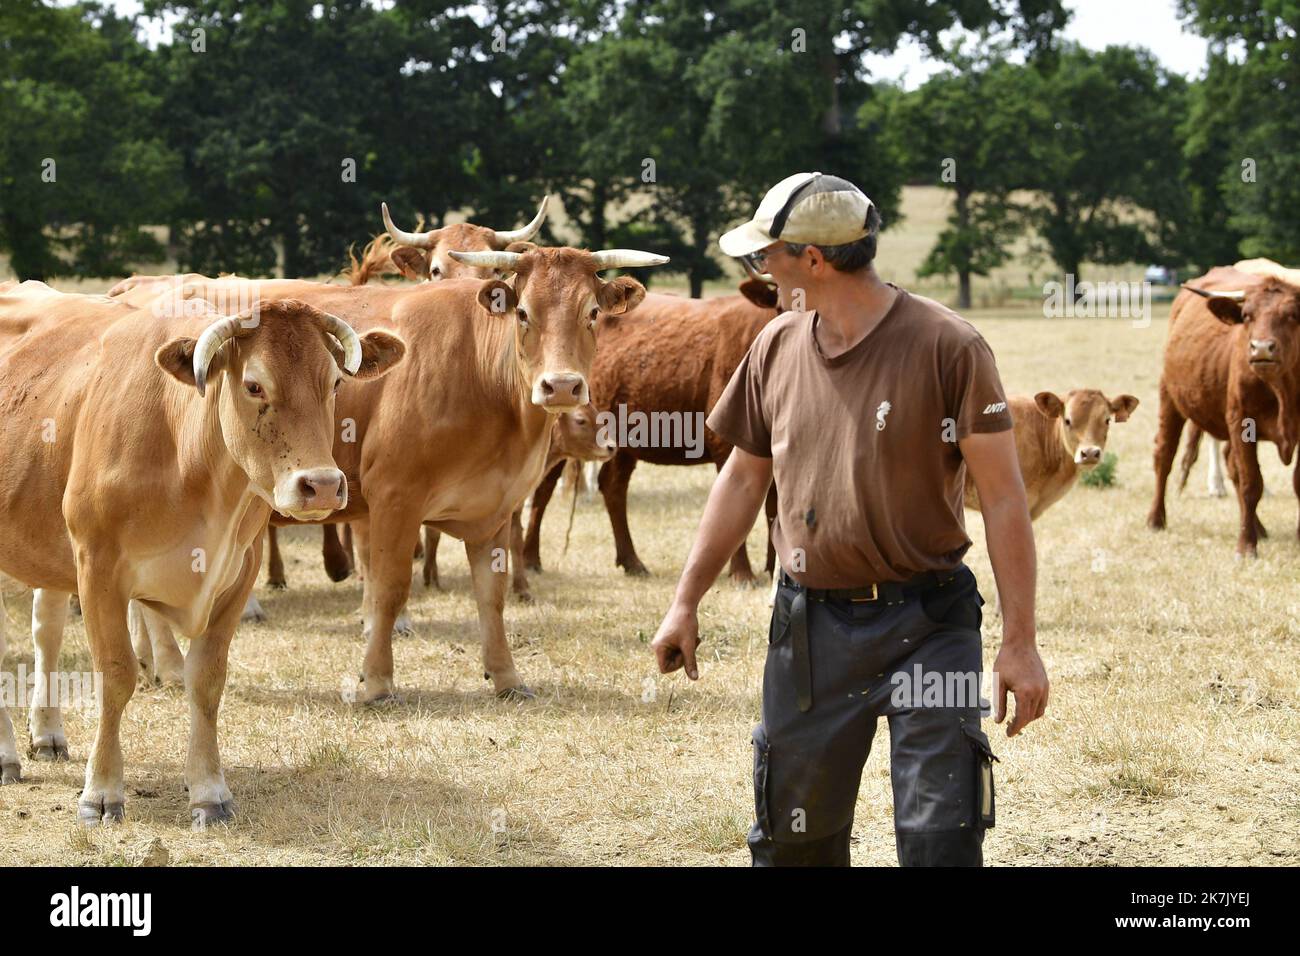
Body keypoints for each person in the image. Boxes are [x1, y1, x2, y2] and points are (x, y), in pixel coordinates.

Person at [650, 172, 1049, 866]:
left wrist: (1020, 642)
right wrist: (685, 601)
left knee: (941, 839)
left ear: (813, 259)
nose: (759, 272)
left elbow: (1007, 498)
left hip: (931, 626)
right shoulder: (775, 346)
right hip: (809, 634)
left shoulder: (949, 347)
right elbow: (743, 479)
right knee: (794, 841)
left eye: (764, 256)